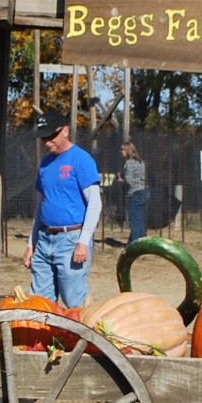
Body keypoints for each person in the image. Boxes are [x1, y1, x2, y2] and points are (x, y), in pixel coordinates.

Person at [24, 111, 102, 308]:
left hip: (71, 240)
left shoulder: (81, 160)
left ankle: (86, 337)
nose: (47, 142)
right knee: (39, 303)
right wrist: (31, 244)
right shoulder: (45, 164)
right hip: (44, 240)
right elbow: (41, 206)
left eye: (51, 136)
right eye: (43, 137)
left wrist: (83, 242)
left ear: (65, 130)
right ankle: (44, 338)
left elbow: (95, 203)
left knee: (74, 302)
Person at [121, 142, 149, 241]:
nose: (121, 152)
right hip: (144, 191)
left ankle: (134, 243)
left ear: (127, 151)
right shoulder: (141, 161)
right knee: (140, 219)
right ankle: (141, 241)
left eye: (123, 149)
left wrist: (121, 180)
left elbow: (129, 180)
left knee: (135, 221)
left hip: (134, 193)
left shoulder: (129, 163)